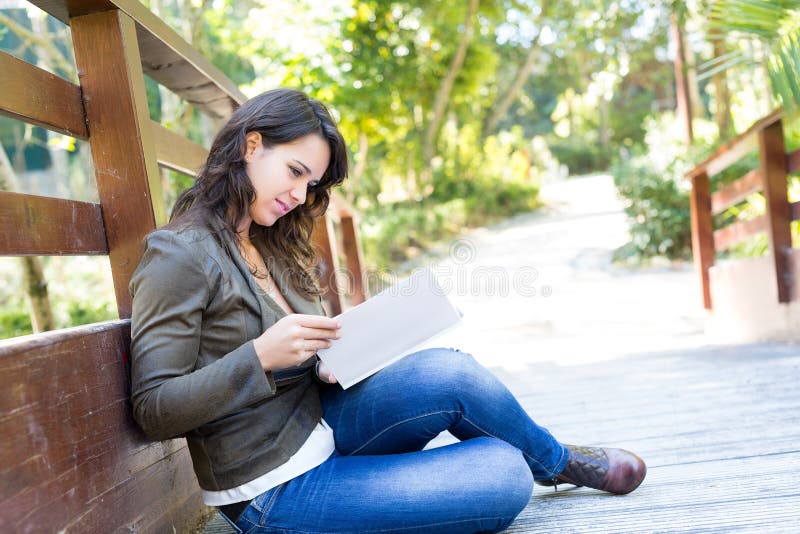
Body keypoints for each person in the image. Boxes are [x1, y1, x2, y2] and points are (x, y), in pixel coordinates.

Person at [129, 88, 646, 534]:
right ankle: (531, 465)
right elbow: (153, 409)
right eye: (294, 171)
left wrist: (334, 356)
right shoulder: (180, 253)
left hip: (322, 421)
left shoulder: (269, 241)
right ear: (251, 144)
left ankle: (557, 463)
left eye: (311, 184)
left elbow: (303, 351)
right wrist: (260, 356)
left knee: (451, 370)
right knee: (502, 473)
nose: (299, 193)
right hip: (275, 487)